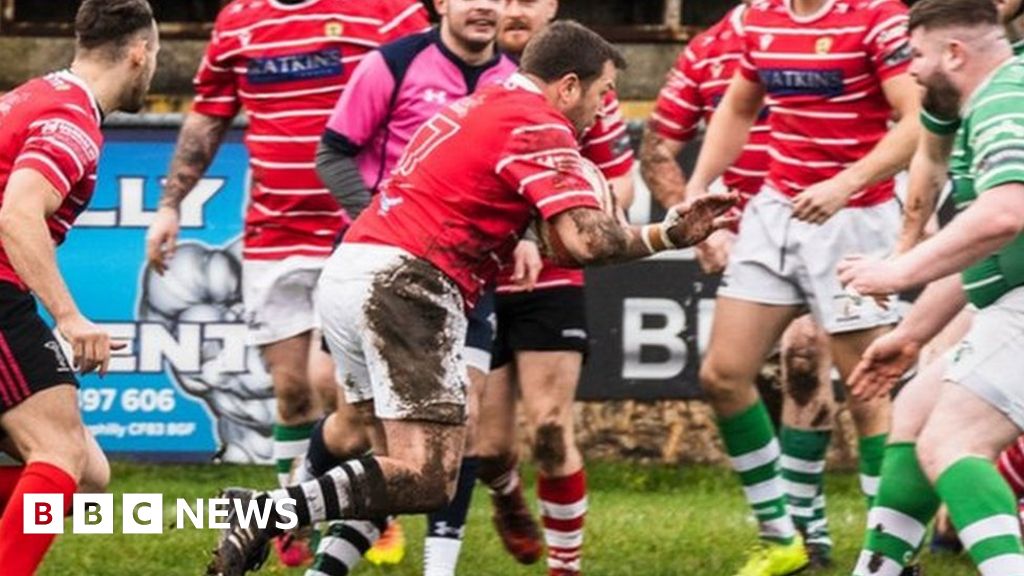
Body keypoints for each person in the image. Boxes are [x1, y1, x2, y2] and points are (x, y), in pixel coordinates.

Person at [206, 21, 738, 576]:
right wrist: (668, 235)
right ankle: (270, 510)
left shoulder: (484, 103)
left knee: (388, 461)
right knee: (429, 475)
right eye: (604, 94)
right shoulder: (539, 124)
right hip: (408, 285)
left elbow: (548, 238)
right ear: (569, 86)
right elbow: (586, 241)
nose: (604, 109)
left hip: (355, 269)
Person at [144, 0, 428, 565]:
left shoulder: (388, 11)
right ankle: (289, 518)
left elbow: (429, 97)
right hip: (273, 233)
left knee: (347, 393)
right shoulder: (239, 20)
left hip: (359, 228)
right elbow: (208, 116)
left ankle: (359, 510)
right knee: (292, 390)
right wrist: (170, 204)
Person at [683, 0, 921, 572]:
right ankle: (781, 537)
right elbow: (739, 107)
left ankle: (891, 553)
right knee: (722, 375)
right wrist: (697, 187)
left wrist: (848, 182)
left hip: (854, 224)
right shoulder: (760, 16)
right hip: (777, 214)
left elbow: (917, 119)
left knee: (867, 392)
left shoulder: (876, 15)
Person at [306, 0, 517, 573]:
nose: (485, 6)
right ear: (440, 3)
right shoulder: (393, 64)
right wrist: (384, 219)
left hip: (465, 277)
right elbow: (332, 152)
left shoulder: (515, 82)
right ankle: (289, 516)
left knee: (463, 416)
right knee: (361, 430)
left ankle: (438, 566)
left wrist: (523, 233)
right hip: (384, 270)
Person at [640, 1, 838, 566]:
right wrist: (697, 229)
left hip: (825, 223)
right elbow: (657, 148)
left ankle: (808, 527)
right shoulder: (708, 49)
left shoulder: (850, 25)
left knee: (804, 359)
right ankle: (783, 530)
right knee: (732, 375)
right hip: (749, 235)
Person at [839, 0, 1024, 573]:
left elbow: (1004, 215)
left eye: (916, 55)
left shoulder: (1001, 100)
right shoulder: (990, 97)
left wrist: (899, 269)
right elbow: (990, 256)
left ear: (954, 53)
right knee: (916, 413)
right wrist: (913, 334)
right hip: (1009, 295)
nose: (910, 70)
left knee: (952, 442)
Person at [471, 2, 637, 573]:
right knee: (487, 448)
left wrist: (560, 222)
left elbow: (621, 189)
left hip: (555, 276)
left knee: (549, 426)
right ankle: (506, 494)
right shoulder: (483, 90)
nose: (516, 9)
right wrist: (517, 226)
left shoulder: (592, 92)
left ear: (552, 10)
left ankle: (565, 566)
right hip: (483, 280)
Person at [0, 1, 159, 574]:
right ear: (140, 53)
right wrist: (69, 316)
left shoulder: (34, 94)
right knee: (61, 453)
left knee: (88, 477)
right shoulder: (71, 119)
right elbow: (17, 215)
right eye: (155, 56)